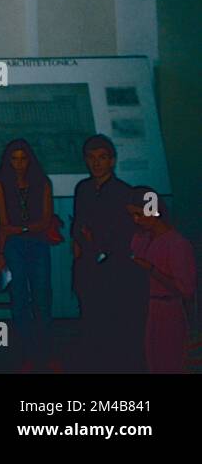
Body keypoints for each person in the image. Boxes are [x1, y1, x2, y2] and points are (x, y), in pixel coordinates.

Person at [71, 134, 147, 372]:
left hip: (113, 267)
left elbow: (124, 234)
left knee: (112, 322)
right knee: (89, 319)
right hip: (86, 264)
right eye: (92, 158)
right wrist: (78, 241)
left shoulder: (124, 192)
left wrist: (97, 243)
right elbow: (79, 223)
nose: (97, 163)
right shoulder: (82, 188)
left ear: (112, 161)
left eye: (102, 158)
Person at [0, 139, 55, 372]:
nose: (19, 164)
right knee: (19, 300)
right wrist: (0, 252)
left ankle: (45, 353)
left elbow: (46, 221)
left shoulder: (42, 182)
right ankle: (26, 353)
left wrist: (22, 229)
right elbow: (3, 223)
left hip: (37, 243)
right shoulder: (1, 183)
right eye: (14, 159)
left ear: (30, 159)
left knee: (42, 298)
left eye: (23, 158)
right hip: (14, 245)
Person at [128, 189, 196, 374]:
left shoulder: (176, 244)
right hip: (143, 310)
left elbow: (186, 290)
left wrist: (152, 270)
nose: (135, 220)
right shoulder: (140, 238)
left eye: (138, 214)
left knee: (168, 361)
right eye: (132, 215)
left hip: (167, 312)